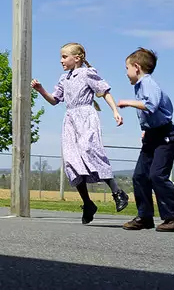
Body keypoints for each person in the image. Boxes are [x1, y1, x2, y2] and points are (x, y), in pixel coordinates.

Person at [31, 43, 128, 224]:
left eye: (64, 57)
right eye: (60, 57)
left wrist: (115, 111)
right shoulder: (63, 79)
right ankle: (88, 203)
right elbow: (54, 100)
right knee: (72, 162)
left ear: (76, 58)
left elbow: (104, 91)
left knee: (90, 151)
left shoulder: (86, 73)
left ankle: (117, 191)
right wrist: (41, 90)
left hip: (86, 116)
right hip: (70, 120)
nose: (61, 61)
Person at [118, 48, 174, 232]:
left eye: (127, 68)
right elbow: (148, 114)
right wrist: (145, 130)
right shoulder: (140, 86)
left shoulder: (148, 84)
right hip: (152, 135)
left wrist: (127, 102)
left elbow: (151, 105)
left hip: (166, 136)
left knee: (157, 175)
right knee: (140, 176)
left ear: (137, 67)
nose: (126, 73)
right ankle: (145, 217)